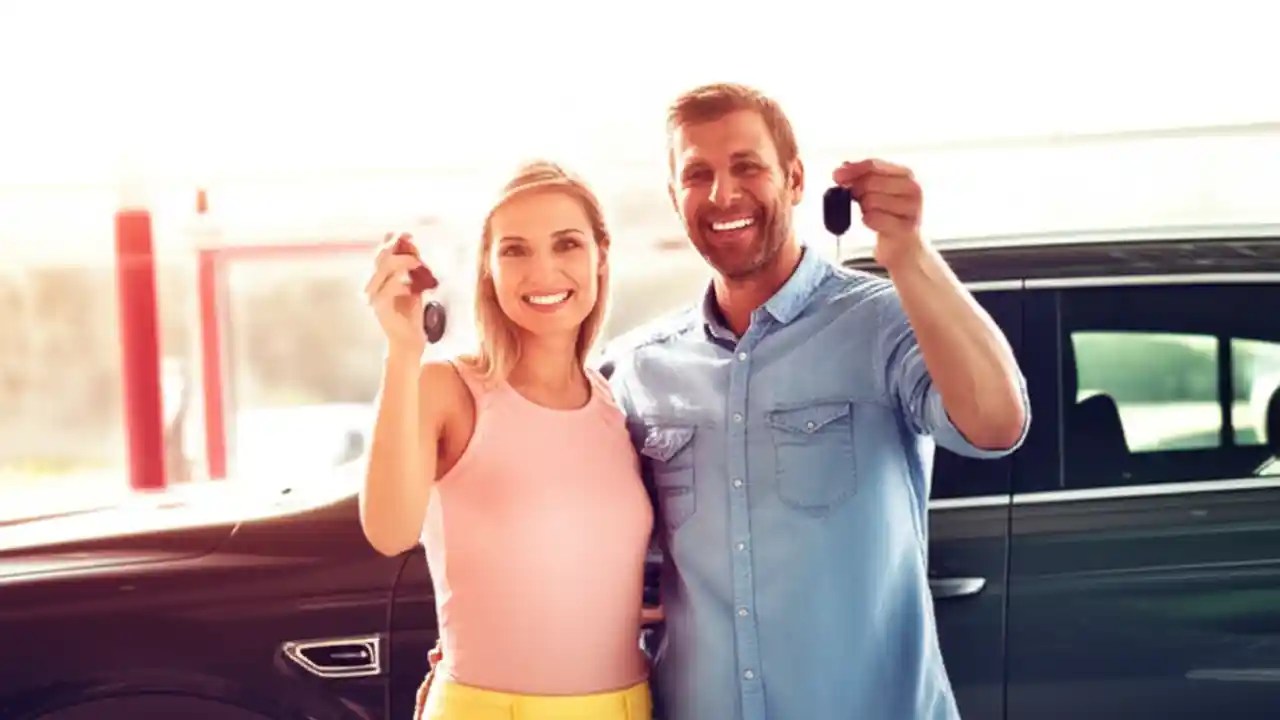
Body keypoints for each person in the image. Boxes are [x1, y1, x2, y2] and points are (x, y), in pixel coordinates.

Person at [600, 82, 1031, 720]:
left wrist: (908, 251)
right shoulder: (639, 368)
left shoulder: (883, 322)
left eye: (747, 166)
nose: (724, 194)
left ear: (796, 179)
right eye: (698, 174)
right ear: (674, 197)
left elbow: (998, 424)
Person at [359, 160, 657, 720]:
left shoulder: (618, 405)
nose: (542, 271)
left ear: (601, 256)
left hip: (625, 707)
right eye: (515, 250)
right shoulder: (449, 387)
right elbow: (388, 530)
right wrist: (402, 350)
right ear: (488, 269)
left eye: (566, 244)